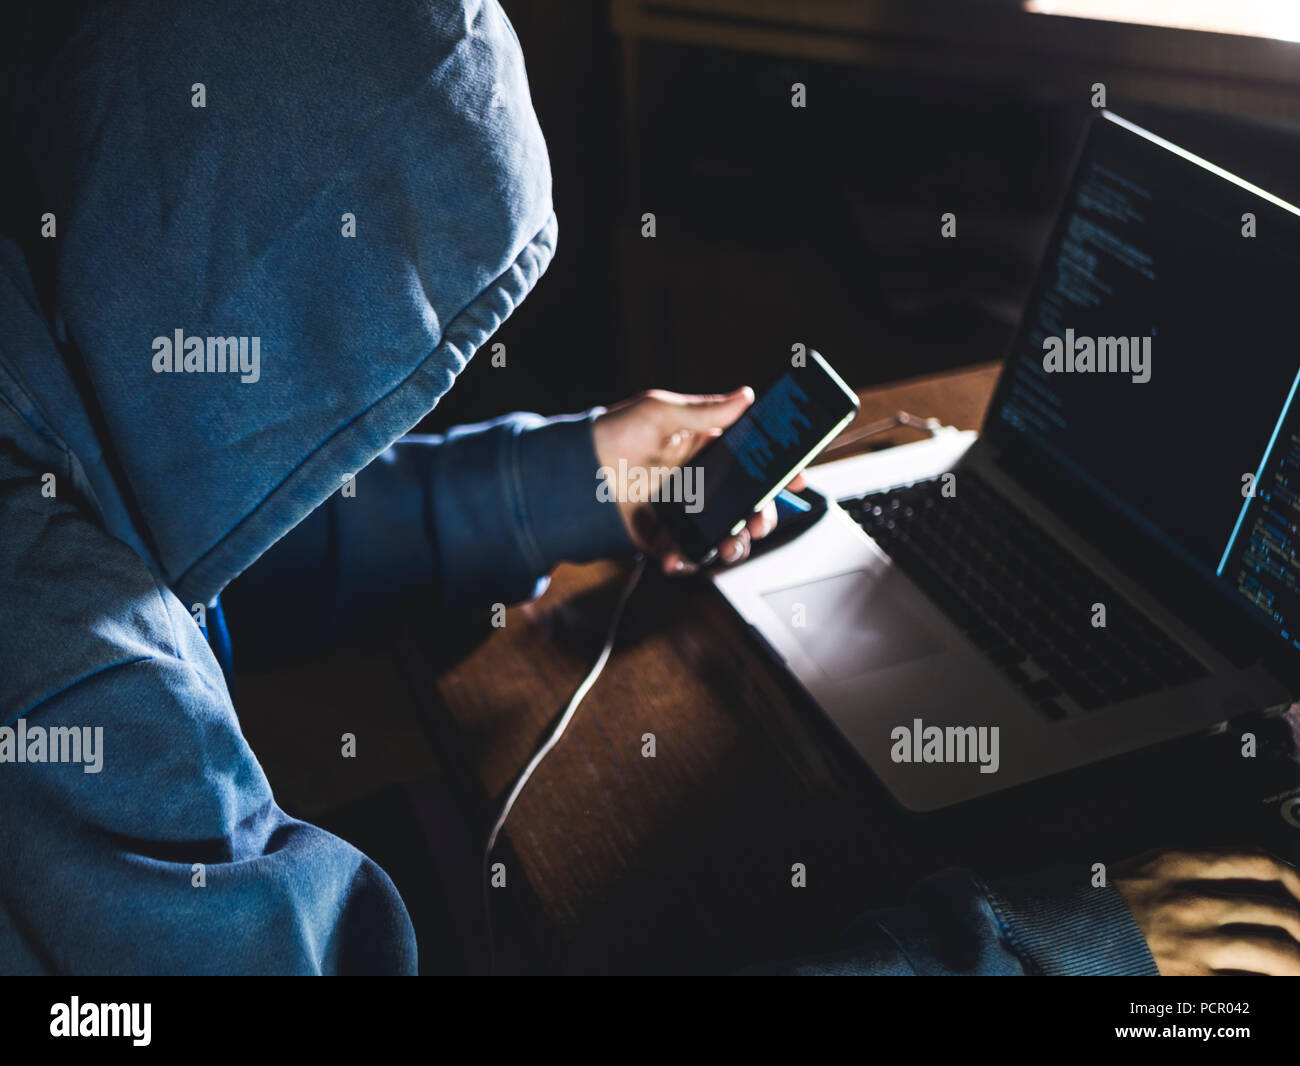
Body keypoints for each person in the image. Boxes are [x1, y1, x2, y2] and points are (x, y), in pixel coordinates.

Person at [1, 0, 1296, 976]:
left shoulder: (55, 346)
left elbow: (225, 535)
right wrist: (1037, 948)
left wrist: (567, 479)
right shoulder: (76, 686)